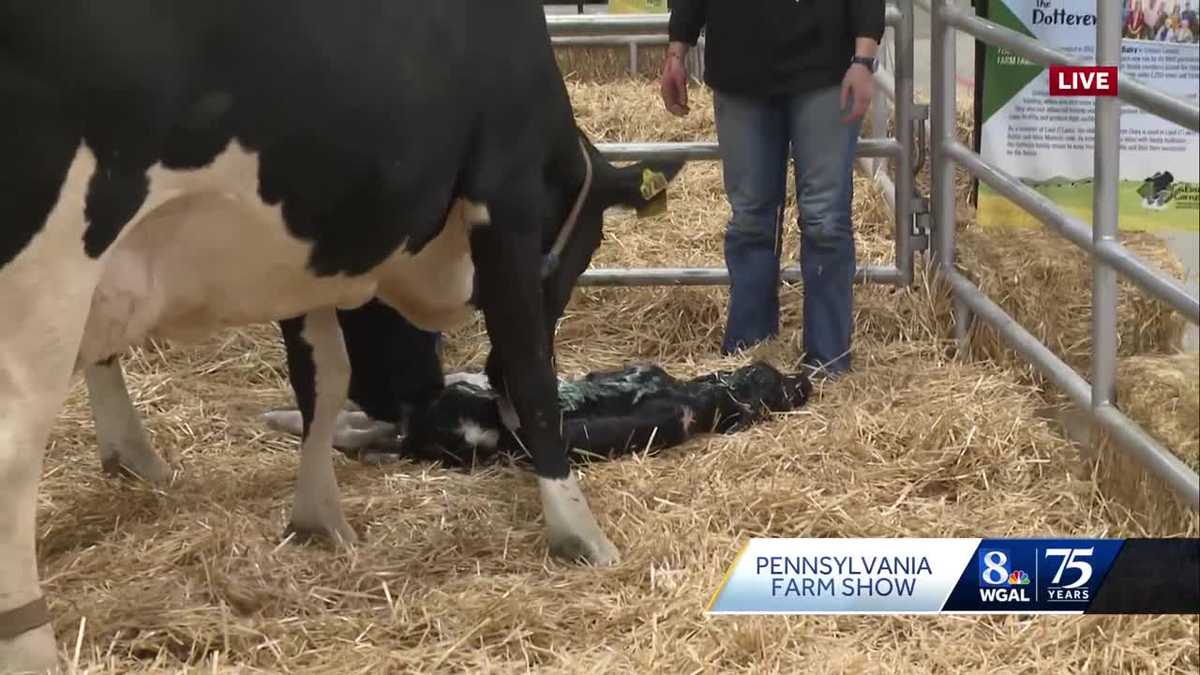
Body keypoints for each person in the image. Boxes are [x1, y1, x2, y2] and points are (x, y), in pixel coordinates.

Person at [660, 1, 885, 379]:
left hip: (824, 66)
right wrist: (676, 51)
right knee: (751, 219)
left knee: (825, 221)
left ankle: (828, 364)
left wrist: (863, 60)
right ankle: (748, 360)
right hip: (739, 67)